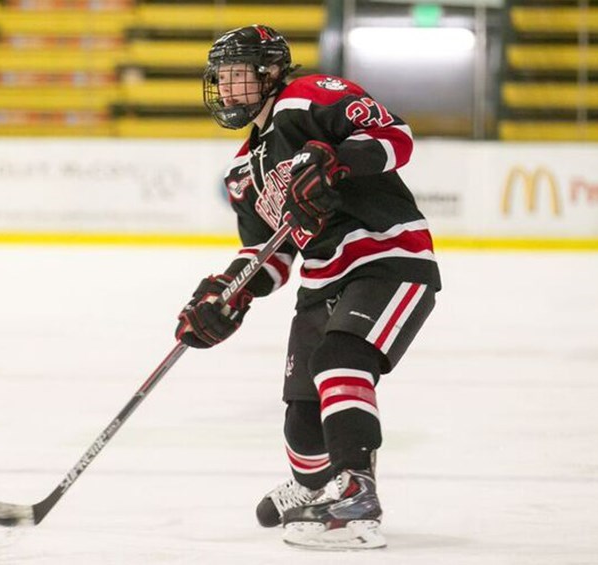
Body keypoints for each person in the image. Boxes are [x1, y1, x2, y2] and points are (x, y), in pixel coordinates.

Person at [174, 25, 441, 550]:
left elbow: (396, 138)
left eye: (236, 77)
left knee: (339, 360)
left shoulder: (310, 98)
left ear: (270, 72)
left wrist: (337, 160)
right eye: (220, 79)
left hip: (386, 257)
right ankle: (316, 485)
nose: (226, 90)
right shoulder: (241, 172)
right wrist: (227, 295)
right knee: (301, 414)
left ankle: (355, 495)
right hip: (321, 282)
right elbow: (268, 256)